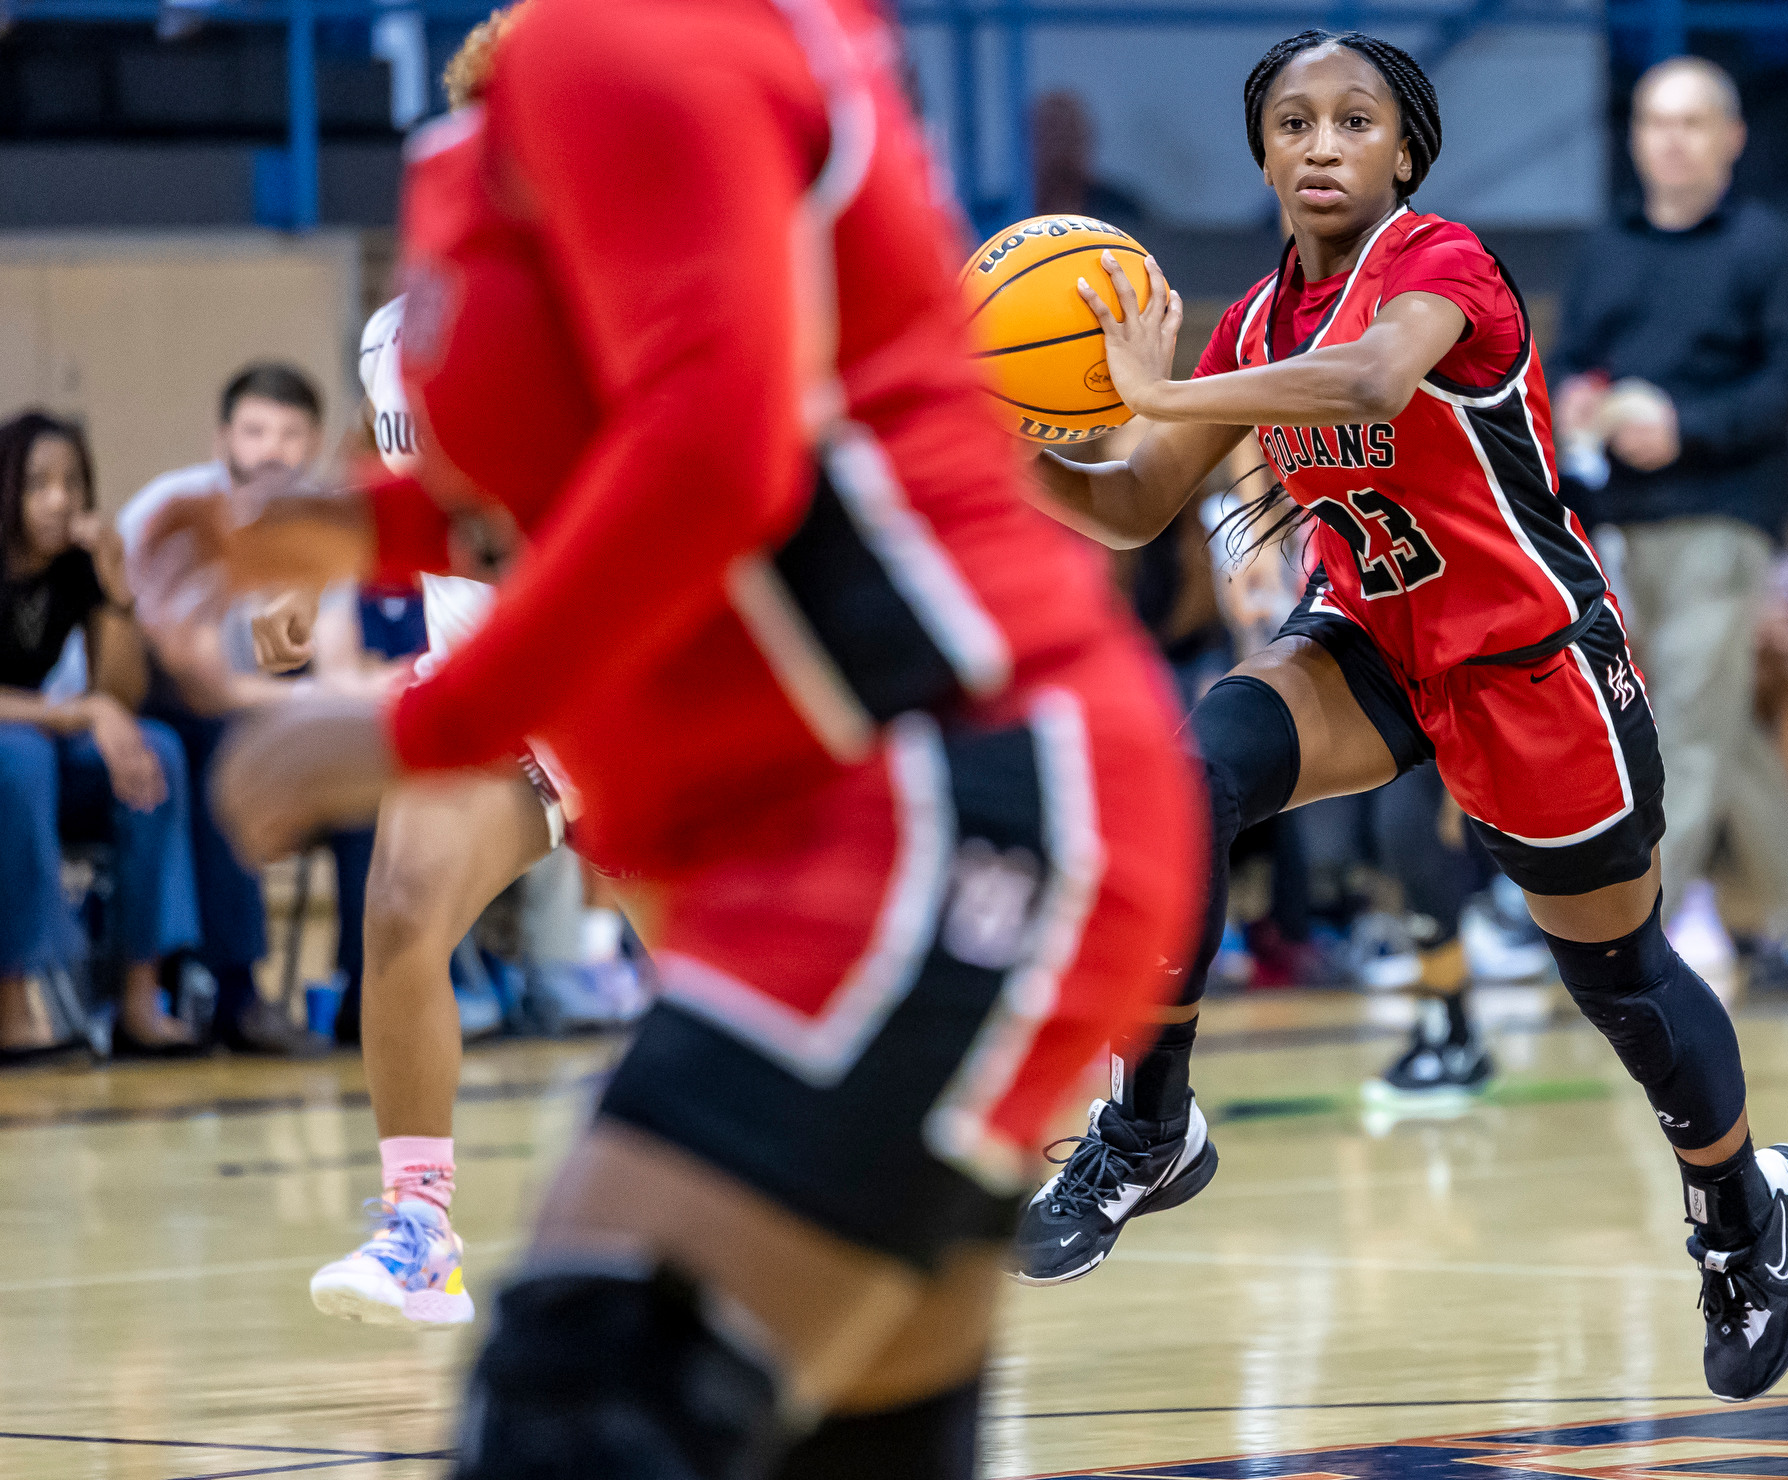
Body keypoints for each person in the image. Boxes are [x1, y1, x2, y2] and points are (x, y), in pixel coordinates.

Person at [132, 0, 1202, 1471]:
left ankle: (418, 1217)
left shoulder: (637, 39)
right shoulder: (548, 101)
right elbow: (603, 437)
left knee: (592, 1395)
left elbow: (719, 453)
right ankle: (412, 1215)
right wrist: (337, 526)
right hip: (853, 802)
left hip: (934, 777)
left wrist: (418, 727)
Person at [1016, 29, 1788, 1404]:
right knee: (1182, 772)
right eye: (1290, 122)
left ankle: (1744, 1206)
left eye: (1352, 122)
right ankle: (1150, 1126)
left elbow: (1372, 385)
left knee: (1615, 982)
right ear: (1262, 152)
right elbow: (1138, 499)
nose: (1320, 144)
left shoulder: (1440, 268)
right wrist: (1003, 441)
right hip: (1367, 643)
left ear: (1403, 152)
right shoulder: (1252, 328)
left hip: (1528, 663)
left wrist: (1154, 393)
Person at [233, 6, 580, 1329]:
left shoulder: (639, 297)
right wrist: (312, 580)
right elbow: (422, 499)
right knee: (398, 909)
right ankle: (417, 1225)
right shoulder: (400, 336)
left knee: (734, 998)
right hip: (496, 701)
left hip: (642, 689)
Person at [1548, 57, 1788, 1003]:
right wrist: (1581, 400)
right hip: (1623, 527)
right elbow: (1572, 362)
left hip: (1724, 518)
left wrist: (1685, 426)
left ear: (1731, 138)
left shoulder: (1767, 248)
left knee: (1686, 734)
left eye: (1694, 122)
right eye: (1656, 121)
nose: (1673, 138)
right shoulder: (1608, 248)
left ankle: (1630, 949)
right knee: (1715, 731)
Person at [116, 363, 343, 1057]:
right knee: (223, 742)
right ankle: (240, 994)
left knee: (381, 761)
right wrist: (313, 698)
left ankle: (378, 988)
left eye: (289, 433)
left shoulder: (328, 526)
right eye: (254, 430)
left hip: (270, 707)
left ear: (313, 443)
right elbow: (195, 679)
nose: (271, 449)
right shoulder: (171, 511)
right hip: (169, 708)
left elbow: (338, 661)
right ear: (222, 440)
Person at [0, 411, 199, 1059]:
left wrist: (117, 592)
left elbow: (121, 696)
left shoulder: (79, 566)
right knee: (21, 756)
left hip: (43, 744)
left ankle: (139, 1000)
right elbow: (82, 711)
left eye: (73, 483)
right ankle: (13, 1006)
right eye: (38, 484)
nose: (60, 500)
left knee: (156, 749)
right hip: (21, 745)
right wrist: (72, 714)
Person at [1033, 90, 1147, 234]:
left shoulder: (1123, 212)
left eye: (1069, 137)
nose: (1059, 148)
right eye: (1046, 135)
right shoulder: (1003, 216)